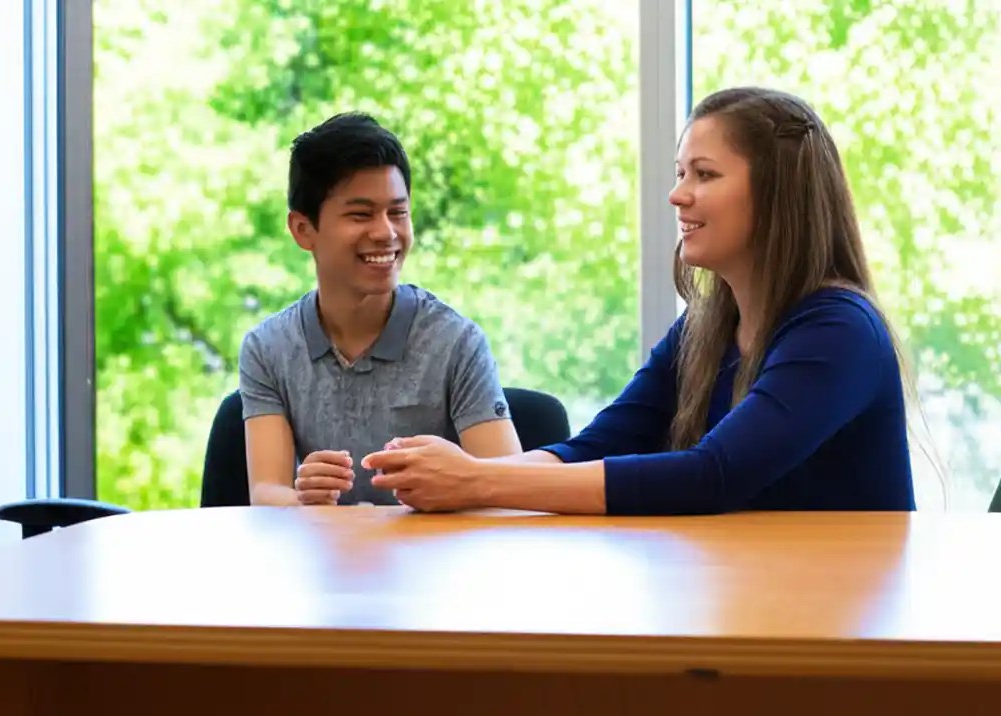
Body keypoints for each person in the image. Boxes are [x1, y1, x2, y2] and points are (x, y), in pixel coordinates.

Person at [362, 87, 916, 515]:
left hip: (844, 640)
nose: (677, 194)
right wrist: (457, 481)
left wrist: (478, 480)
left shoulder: (839, 332)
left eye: (704, 174)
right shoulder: (704, 329)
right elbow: (600, 445)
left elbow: (712, 475)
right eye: (680, 173)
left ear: (777, 193)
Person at [240, 112, 521, 507]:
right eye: (361, 214)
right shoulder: (268, 348)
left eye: (398, 212)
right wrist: (303, 500)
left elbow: (509, 487)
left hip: (432, 561)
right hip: (321, 561)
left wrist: (457, 482)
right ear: (303, 230)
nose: (386, 233)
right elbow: (266, 492)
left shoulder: (455, 342)